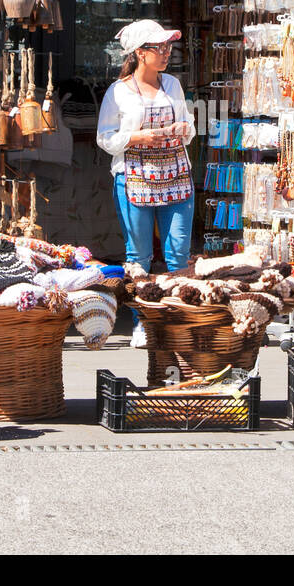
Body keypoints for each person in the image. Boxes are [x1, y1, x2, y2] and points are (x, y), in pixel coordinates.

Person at [97, 19, 196, 347]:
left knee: (178, 253)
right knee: (138, 254)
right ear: (140, 52)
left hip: (176, 174)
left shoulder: (173, 85)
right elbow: (105, 137)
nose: (166, 52)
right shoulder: (119, 91)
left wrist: (184, 129)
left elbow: (190, 125)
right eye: (159, 47)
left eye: (169, 46)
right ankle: (143, 322)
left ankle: (176, 317)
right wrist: (136, 137)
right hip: (135, 176)